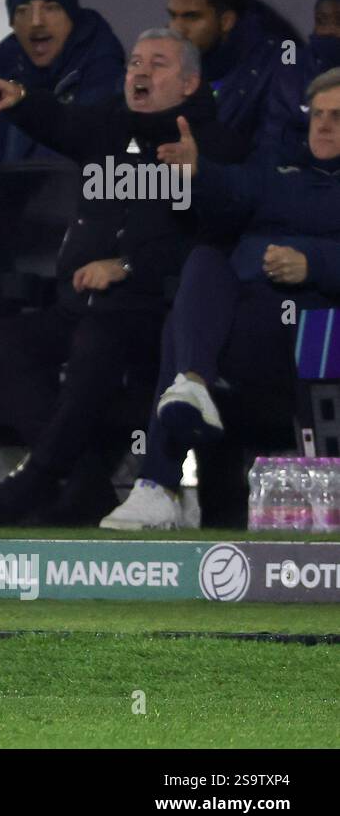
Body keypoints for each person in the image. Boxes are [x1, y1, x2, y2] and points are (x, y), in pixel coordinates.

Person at [0, 29, 252, 526]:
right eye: (135, 62)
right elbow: (63, 121)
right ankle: (85, 485)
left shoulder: (214, 144)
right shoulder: (109, 127)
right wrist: (21, 102)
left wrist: (129, 265)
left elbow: (218, 241)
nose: (139, 71)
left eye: (156, 64)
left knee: (96, 342)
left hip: (153, 312)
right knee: (4, 345)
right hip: (81, 305)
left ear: (188, 83)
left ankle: (40, 478)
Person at [102, 67, 340, 529]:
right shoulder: (279, 165)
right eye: (319, 115)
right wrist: (198, 172)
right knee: (207, 260)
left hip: (314, 331)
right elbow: (235, 188)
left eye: (339, 116)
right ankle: (190, 386)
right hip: (249, 321)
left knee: (180, 330)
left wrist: (315, 263)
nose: (325, 125)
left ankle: (159, 483)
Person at [0, 0, 124, 166]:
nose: (36, 21)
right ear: (12, 22)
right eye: (22, 10)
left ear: (72, 16)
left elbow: (93, 149)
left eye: (51, 7)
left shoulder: (107, 76)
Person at [165, 0, 307, 153]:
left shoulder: (281, 71)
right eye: (173, 16)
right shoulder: (162, 54)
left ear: (226, 21)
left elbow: (275, 163)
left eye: (192, 17)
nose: (177, 29)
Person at [267, 0, 340, 165]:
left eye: (339, 21)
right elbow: (273, 142)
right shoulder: (292, 72)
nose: (328, 31)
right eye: (321, 21)